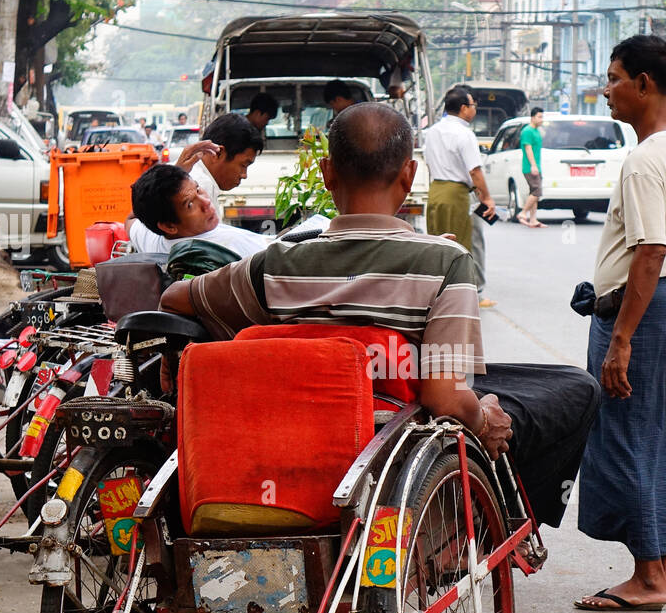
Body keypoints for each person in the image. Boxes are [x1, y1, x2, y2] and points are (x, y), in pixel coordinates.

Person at [161, 102, 599, 529]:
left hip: (296, 418)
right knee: (573, 386)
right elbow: (445, 397)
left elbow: (177, 297)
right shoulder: (443, 261)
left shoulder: (274, 263)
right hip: (397, 425)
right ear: (409, 175)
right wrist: (485, 418)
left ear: (327, 173)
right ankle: (493, 530)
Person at [574, 34, 666, 612]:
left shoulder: (643, 161)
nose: (606, 90)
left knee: (629, 443)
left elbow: (650, 251)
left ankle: (649, 579)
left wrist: (626, 337)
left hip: (643, 313)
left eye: (613, 78)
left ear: (644, 85)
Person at [422, 88, 499, 308]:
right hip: (456, 193)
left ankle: (437, 293)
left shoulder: (433, 131)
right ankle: (470, 294)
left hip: (436, 190)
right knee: (464, 244)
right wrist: (488, 199)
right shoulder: (464, 133)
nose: (475, 109)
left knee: (438, 243)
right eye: (474, 105)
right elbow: (475, 171)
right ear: (464, 108)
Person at [127, 162, 269, 258]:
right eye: (189, 204)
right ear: (169, 226)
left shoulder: (154, 240)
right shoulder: (228, 246)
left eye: (198, 189)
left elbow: (130, 220)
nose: (206, 202)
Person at [176, 113, 264, 216]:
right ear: (218, 153)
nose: (244, 175)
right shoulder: (200, 186)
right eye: (243, 165)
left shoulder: (194, 176)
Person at [517, 107, 546, 227]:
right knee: (537, 191)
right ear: (532, 117)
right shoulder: (527, 131)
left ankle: (533, 219)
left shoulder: (536, 131)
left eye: (542, 117)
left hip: (536, 166)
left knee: (534, 193)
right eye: (539, 117)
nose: (541, 119)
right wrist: (533, 166)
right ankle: (523, 213)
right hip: (530, 167)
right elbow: (528, 149)